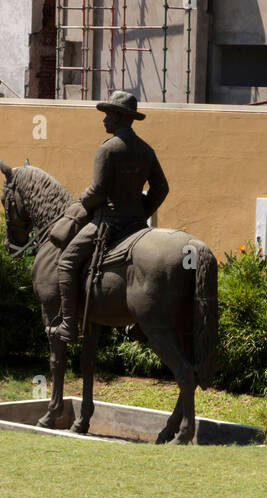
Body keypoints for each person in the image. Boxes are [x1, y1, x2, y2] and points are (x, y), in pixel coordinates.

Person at [49, 90, 170, 344]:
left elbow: (98, 191)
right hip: (136, 226)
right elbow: (161, 188)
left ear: (117, 116)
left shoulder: (108, 149)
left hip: (107, 224)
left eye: (107, 115)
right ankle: (139, 324)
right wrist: (141, 212)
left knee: (67, 263)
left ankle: (68, 326)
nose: (104, 120)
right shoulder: (146, 150)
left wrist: (83, 200)